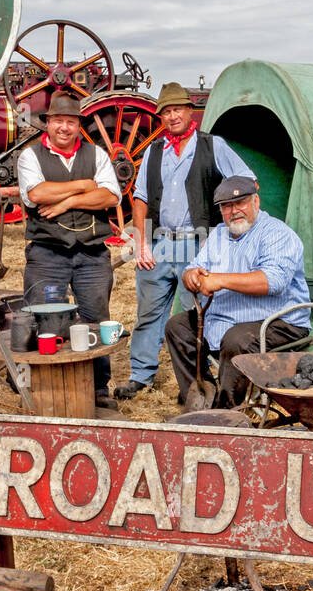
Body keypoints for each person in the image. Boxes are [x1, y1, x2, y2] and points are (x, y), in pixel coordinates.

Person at [114, 82, 255, 401]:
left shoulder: (212, 146)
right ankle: (141, 375)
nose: (172, 115)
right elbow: (140, 197)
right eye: (166, 111)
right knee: (149, 311)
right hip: (158, 242)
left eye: (177, 109)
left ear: (190, 111)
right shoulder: (153, 151)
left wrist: (228, 229)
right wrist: (140, 242)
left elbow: (245, 182)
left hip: (199, 244)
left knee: (199, 314)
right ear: (160, 116)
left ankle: (201, 376)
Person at [164, 176, 311, 409]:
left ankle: (228, 410)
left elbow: (273, 281)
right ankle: (203, 402)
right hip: (224, 317)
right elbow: (195, 268)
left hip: (278, 321)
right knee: (177, 326)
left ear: (256, 201)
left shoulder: (276, 233)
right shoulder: (219, 234)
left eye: (240, 203)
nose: (234, 211)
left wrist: (219, 280)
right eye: (226, 206)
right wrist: (190, 275)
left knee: (237, 339)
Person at [17, 92, 123, 409]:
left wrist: (68, 201)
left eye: (71, 121)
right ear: (48, 123)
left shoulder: (96, 154)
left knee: (96, 318)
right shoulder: (30, 157)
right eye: (59, 120)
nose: (65, 127)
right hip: (47, 253)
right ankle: (46, 389)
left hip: (91, 253)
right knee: (46, 319)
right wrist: (85, 185)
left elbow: (111, 197)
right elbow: (36, 193)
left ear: (79, 125)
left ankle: (97, 390)